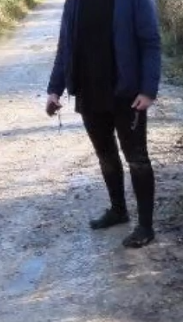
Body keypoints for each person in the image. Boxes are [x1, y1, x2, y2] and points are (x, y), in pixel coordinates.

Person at [46, 0, 162, 249]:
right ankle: (118, 210)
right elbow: (65, 45)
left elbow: (150, 41)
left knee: (137, 158)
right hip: (89, 91)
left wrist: (148, 89)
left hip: (127, 94)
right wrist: (55, 89)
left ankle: (145, 227)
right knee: (105, 155)